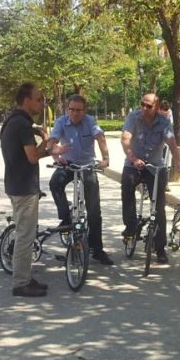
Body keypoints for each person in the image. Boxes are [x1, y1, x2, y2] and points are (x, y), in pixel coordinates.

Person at [0, 82, 53, 297]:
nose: (41, 103)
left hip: (17, 183)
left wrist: (46, 148)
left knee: (26, 233)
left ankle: (25, 276)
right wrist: (47, 143)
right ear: (26, 100)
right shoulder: (21, 124)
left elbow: (27, 155)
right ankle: (21, 283)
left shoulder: (14, 121)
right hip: (23, 187)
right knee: (25, 236)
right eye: (38, 99)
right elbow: (32, 156)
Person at [48, 94, 114, 266]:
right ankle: (66, 218)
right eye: (71, 110)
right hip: (68, 164)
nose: (75, 113)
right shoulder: (61, 122)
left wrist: (105, 159)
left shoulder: (90, 121)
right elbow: (52, 141)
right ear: (67, 109)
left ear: (85, 111)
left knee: (94, 210)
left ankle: (97, 249)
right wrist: (56, 154)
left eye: (78, 110)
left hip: (87, 165)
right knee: (55, 183)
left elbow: (100, 137)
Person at [120, 92, 180, 264]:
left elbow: (171, 143)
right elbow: (125, 139)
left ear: (156, 107)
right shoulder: (133, 117)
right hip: (134, 163)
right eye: (142, 104)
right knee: (126, 186)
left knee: (159, 206)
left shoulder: (164, 122)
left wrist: (178, 163)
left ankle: (160, 248)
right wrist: (133, 158)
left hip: (155, 166)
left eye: (149, 106)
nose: (144, 108)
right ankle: (131, 227)